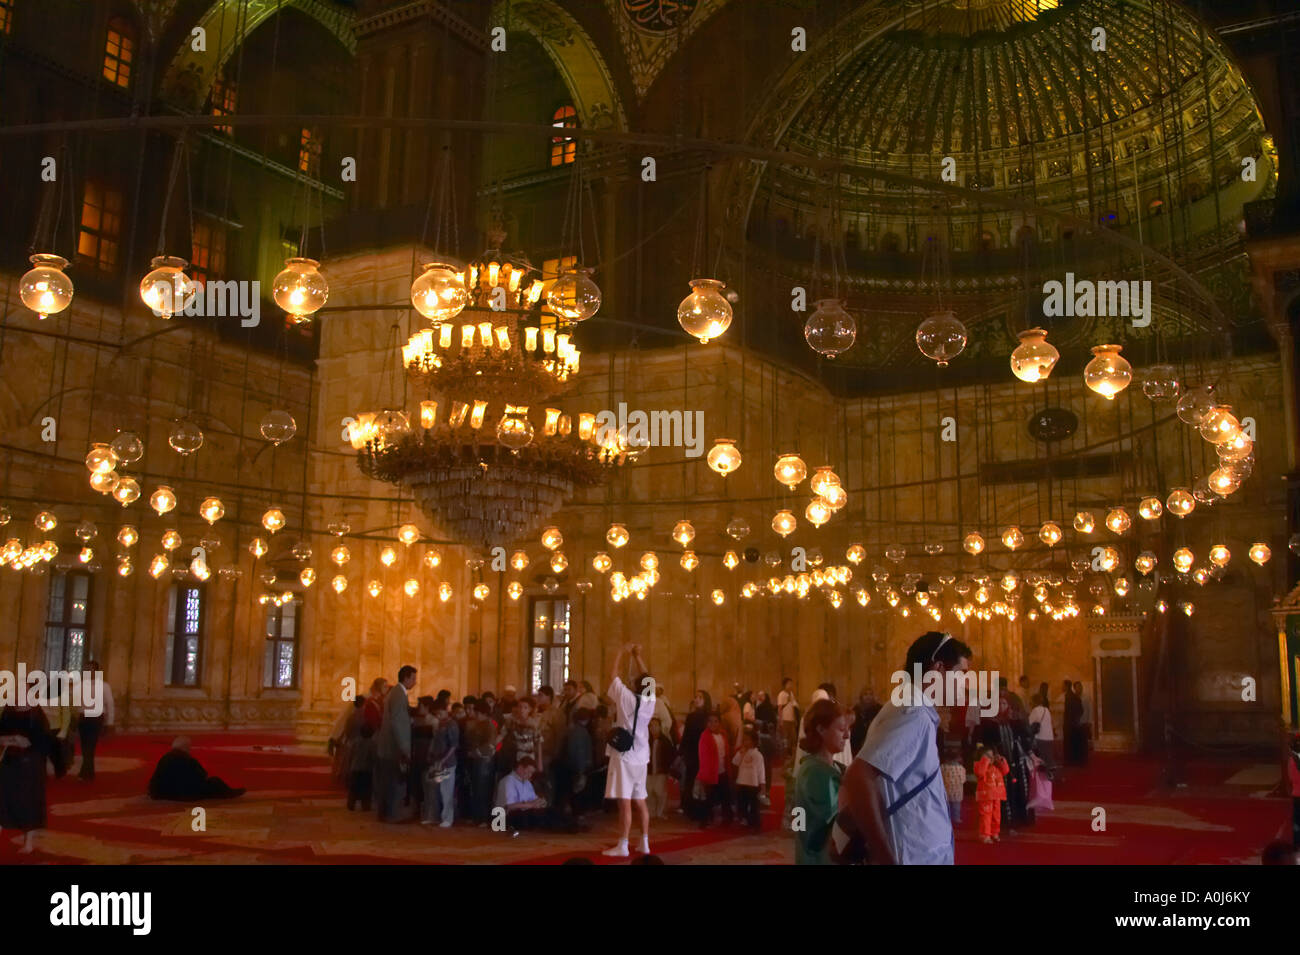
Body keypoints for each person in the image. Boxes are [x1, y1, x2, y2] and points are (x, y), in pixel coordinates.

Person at [841, 631, 972, 865]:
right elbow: (858, 777)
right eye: (961, 674)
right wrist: (884, 856)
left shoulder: (910, 706)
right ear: (939, 669)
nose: (965, 684)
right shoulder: (913, 713)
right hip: (912, 854)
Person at [602, 643, 655, 857]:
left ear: (634, 684)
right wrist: (638, 656)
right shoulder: (651, 700)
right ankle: (644, 842)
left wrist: (620, 653)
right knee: (640, 800)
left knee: (624, 803)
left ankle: (623, 844)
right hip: (642, 757)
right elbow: (648, 678)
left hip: (624, 756)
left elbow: (612, 676)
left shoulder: (626, 698)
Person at [0, 701, 63, 853]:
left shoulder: (36, 714)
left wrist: (27, 742)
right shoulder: (8, 711)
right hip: (9, 762)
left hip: (30, 765)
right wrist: (7, 739)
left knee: (27, 801)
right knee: (3, 798)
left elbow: (44, 740)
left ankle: (28, 841)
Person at [792, 699, 848, 864]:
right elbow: (837, 820)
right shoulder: (815, 772)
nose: (847, 735)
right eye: (841, 729)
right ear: (821, 729)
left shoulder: (834, 768)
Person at [375, 665, 416, 822]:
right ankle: (392, 814)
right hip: (394, 746)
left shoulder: (395, 693)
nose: (415, 682)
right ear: (405, 678)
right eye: (413, 678)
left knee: (387, 781)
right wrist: (405, 748)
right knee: (394, 782)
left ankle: (384, 813)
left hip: (388, 745)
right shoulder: (399, 694)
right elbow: (399, 723)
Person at [148, 737, 244, 801]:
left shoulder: (165, 758)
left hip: (160, 793)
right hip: (180, 794)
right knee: (215, 781)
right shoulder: (187, 759)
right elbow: (202, 776)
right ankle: (229, 793)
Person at [422, 698, 458, 827]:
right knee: (435, 790)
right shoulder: (440, 724)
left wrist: (443, 760)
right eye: (436, 714)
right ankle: (434, 816)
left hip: (447, 763)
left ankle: (448, 818)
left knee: (446, 791)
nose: (438, 716)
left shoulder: (451, 725)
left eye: (440, 713)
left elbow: (453, 745)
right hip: (437, 761)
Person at [77, 660, 114, 781]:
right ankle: (87, 771)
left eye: (90, 669)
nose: (88, 671)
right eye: (86, 669)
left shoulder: (104, 686)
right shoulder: (81, 685)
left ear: (96, 671)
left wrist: (110, 723)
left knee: (90, 745)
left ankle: (86, 772)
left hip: (96, 717)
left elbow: (110, 704)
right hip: (83, 717)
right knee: (84, 746)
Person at [679, 690, 712, 822]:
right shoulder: (691, 716)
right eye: (696, 697)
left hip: (705, 753)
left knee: (704, 783)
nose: (697, 699)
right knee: (691, 781)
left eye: (700, 697)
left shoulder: (708, 716)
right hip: (693, 753)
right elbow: (687, 736)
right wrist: (683, 751)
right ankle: (691, 809)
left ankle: (705, 810)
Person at [696, 711, 733, 827]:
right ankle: (704, 819)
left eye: (716, 721)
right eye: (710, 721)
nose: (713, 724)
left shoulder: (723, 735)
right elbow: (703, 755)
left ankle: (727, 818)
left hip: (722, 771)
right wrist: (705, 773)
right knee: (708, 798)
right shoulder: (705, 736)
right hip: (710, 772)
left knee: (725, 796)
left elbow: (726, 753)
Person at [465, 699, 498, 825]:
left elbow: (490, 744)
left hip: (485, 762)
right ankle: (476, 816)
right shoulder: (476, 724)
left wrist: (475, 752)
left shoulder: (490, 725)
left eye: (477, 712)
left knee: (484, 790)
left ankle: (484, 818)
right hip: (476, 761)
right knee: (476, 789)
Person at [973, 744, 1010, 844]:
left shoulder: (996, 767)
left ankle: (994, 832)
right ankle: (985, 834)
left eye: (991, 755)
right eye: (987, 755)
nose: (990, 758)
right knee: (986, 815)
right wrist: (985, 760)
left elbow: (1006, 771)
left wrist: (1001, 760)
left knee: (996, 815)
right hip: (985, 795)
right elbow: (980, 773)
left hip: (997, 795)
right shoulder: (978, 765)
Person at [733, 726, 765, 829]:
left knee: (754, 804)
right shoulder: (741, 752)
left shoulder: (758, 755)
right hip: (742, 781)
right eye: (744, 740)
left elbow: (761, 770)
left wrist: (762, 784)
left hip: (753, 783)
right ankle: (744, 818)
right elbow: (735, 762)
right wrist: (741, 753)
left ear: (754, 741)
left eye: (748, 740)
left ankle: (754, 822)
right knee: (742, 802)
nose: (746, 742)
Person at [646, 717, 675, 820]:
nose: (653, 728)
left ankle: (660, 812)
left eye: (655, 725)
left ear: (660, 727)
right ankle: (651, 812)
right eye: (651, 726)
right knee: (649, 792)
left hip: (661, 771)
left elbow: (670, 756)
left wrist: (667, 769)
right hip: (648, 771)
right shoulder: (646, 740)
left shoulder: (665, 741)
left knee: (660, 792)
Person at [347, 724, 376, 811]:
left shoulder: (355, 742)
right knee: (366, 789)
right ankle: (365, 805)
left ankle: (351, 804)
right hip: (366, 770)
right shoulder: (372, 744)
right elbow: (374, 757)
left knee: (353, 788)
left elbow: (350, 755)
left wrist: (349, 766)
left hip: (355, 768)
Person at [940, 744, 966, 825]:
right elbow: (963, 780)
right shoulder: (961, 768)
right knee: (956, 807)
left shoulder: (942, 767)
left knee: (946, 806)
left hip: (945, 791)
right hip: (957, 792)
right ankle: (956, 819)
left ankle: (946, 819)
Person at [1027, 691, 1054, 768]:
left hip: (1040, 737)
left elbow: (1029, 722)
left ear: (1034, 702)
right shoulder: (1046, 710)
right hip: (1049, 737)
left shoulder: (1035, 710)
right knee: (1048, 757)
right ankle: (1049, 775)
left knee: (1041, 758)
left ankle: (1043, 777)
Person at [777, 678, 798, 756]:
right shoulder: (781, 694)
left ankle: (792, 756)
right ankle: (785, 755)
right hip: (785, 719)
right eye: (789, 684)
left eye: (791, 684)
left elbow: (793, 707)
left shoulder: (791, 694)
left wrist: (795, 719)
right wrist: (780, 720)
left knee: (793, 739)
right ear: (784, 685)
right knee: (785, 739)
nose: (791, 685)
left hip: (792, 720)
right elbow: (779, 708)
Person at [1074, 681, 1092, 766]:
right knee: (1077, 741)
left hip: (1084, 722)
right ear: (1074, 688)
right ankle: (1078, 758)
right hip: (1076, 723)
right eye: (1077, 687)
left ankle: (1084, 759)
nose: (1079, 688)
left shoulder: (1086, 697)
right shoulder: (1073, 698)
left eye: (1080, 687)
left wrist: (1089, 721)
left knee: (1084, 742)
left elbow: (1090, 709)